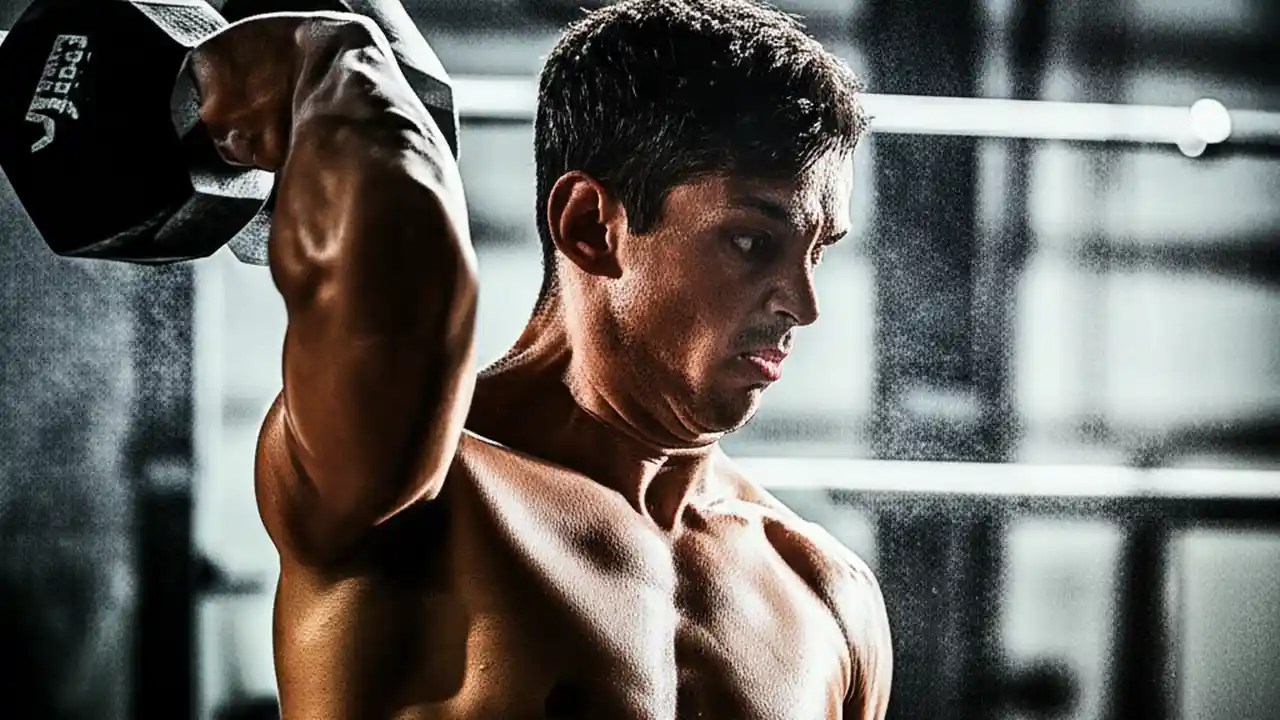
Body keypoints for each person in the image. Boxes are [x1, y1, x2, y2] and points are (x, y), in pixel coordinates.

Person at [192, 0, 892, 717]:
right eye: (752, 242)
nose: (803, 306)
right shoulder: (409, 489)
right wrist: (334, 65)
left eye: (817, 251)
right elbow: (399, 282)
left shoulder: (826, 591)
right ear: (591, 227)